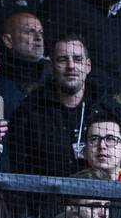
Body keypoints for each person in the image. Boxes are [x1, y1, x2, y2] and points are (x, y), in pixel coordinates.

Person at [7, 33, 100, 176]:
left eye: (77, 59)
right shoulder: (30, 110)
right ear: (51, 67)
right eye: (63, 60)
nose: (71, 66)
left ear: (88, 66)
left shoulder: (106, 109)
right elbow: (18, 166)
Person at [0, 10, 46, 95]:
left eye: (41, 32)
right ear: (8, 40)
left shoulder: (52, 73)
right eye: (30, 32)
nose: (39, 38)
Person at [77, 103, 121, 181]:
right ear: (84, 151)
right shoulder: (70, 185)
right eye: (94, 139)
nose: (102, 146)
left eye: (110, 139)